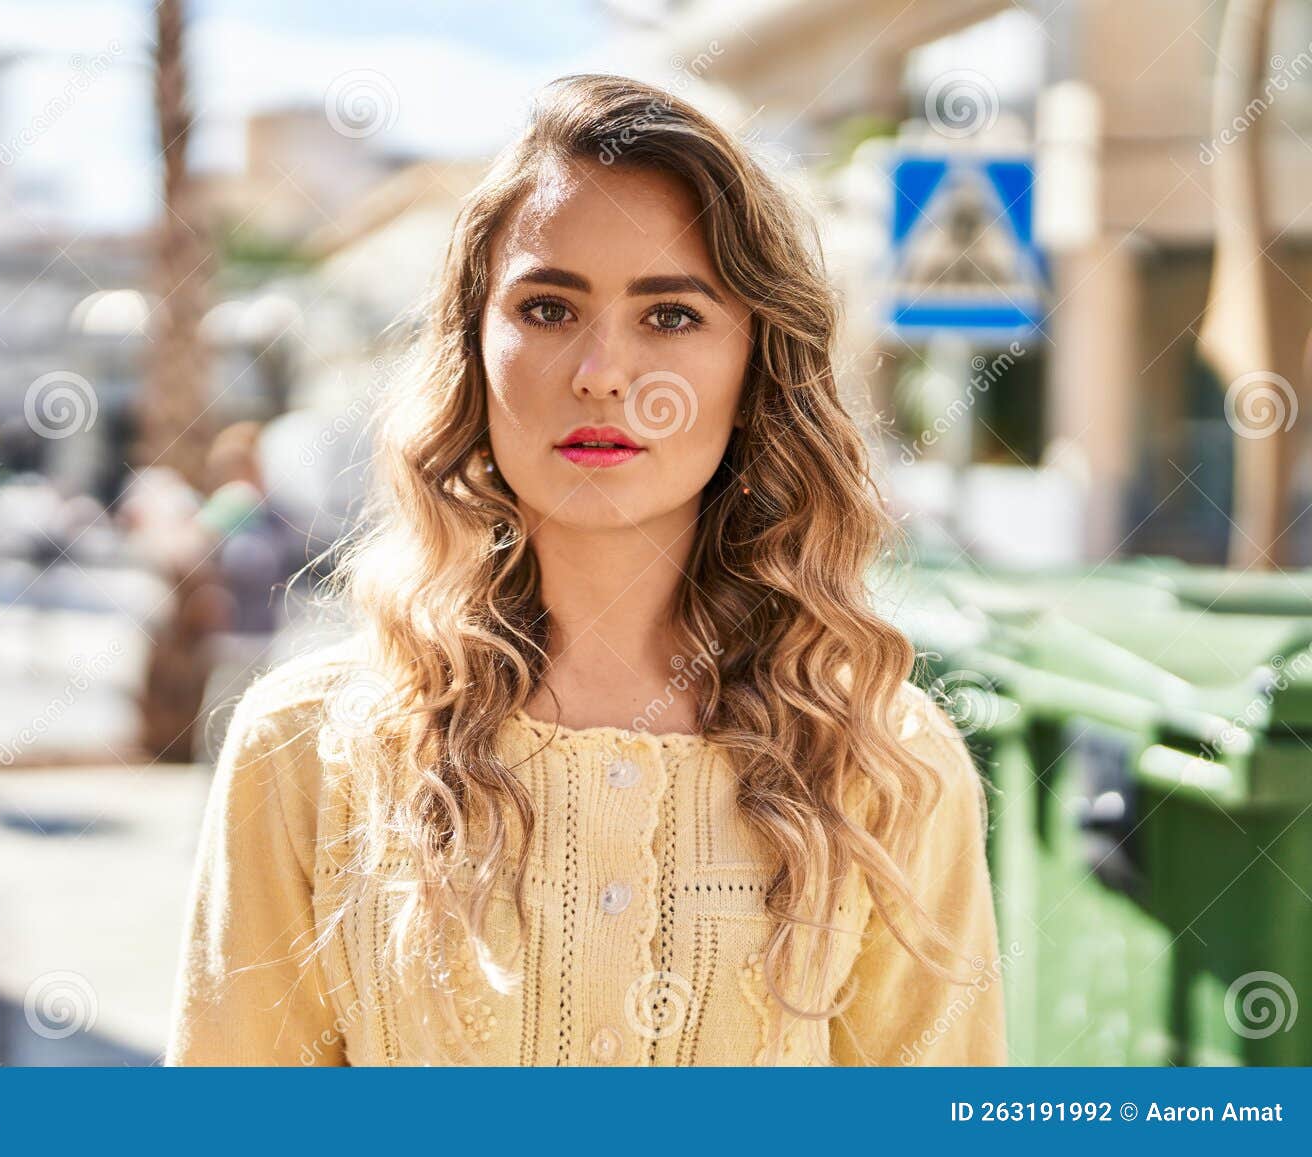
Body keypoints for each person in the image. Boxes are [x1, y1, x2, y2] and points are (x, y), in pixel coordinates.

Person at [166, 74, 1007, 1067]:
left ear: (753, 370)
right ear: (475, 348)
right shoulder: (306, 742)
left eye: (670, 316)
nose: (602, 371)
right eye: (549, 306)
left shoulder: (881, 759)